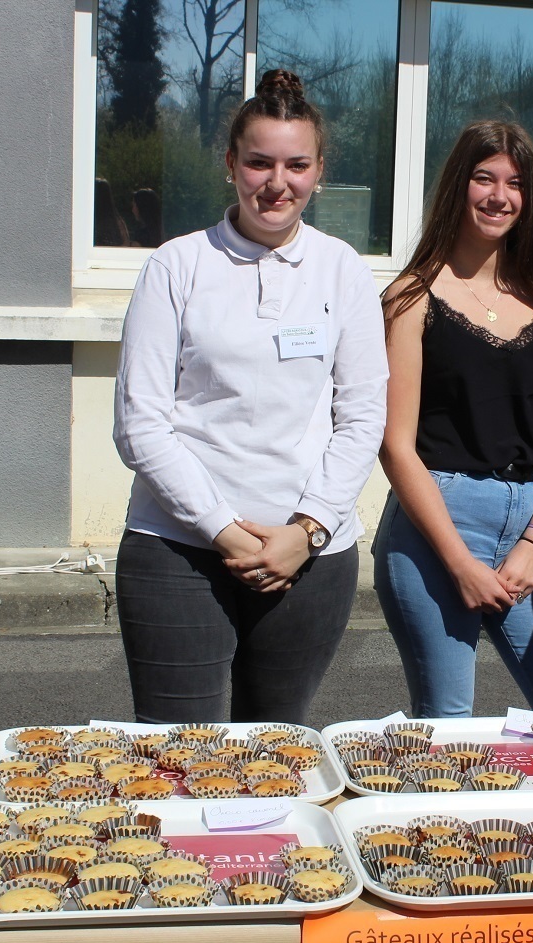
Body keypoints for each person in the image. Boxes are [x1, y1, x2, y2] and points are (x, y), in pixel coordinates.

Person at [112, 69, 387, 725]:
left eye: (296, 165)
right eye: (259, 162)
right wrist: (223, 530)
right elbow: (139, 426)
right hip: (178, 550)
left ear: (319, 171)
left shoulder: (342, 269)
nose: (277, 182)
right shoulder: (177, 266)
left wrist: (307, 529)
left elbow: (362, 417)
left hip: (311, 559)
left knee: (277, 751)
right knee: (180, 755)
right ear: (231, 163)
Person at [373, 120, 533, 719]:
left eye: (515, 182)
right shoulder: (411, 298)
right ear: (459, 184)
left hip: (529, 525)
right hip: (435, 530)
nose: (499, 196)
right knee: (447, 730)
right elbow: (396, 447)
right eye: (484, 178)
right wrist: (460, 563)